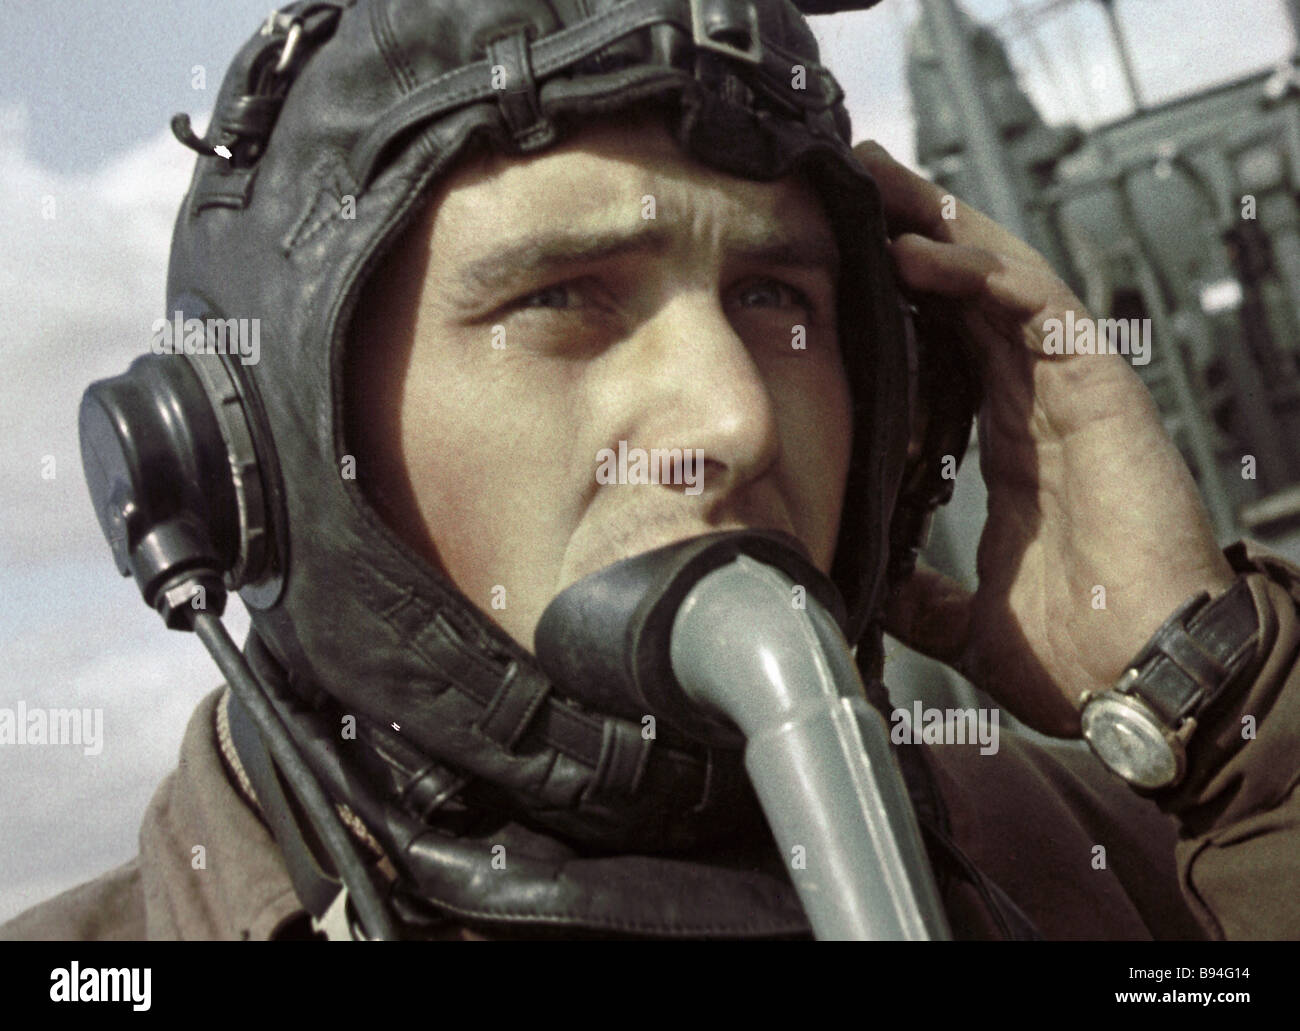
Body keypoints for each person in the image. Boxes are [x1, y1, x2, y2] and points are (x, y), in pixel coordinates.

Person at [4, 0, 1298, 941]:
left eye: (778, 299)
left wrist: (1217, 701)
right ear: (256, 452)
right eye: (563, 296)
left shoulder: (1090, 859)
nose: (732, 418)